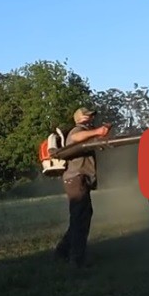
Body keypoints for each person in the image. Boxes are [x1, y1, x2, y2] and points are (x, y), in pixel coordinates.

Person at [53, 107, 110, 268]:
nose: (92, 118)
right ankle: (76, 261)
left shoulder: (85, 131)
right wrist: (98, 131)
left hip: (77, 180)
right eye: (90, 116)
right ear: (82, 118)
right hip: (76, 180)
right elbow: (76, 136)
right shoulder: (78, 130)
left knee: (81, 218)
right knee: (80, 220)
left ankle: (61, 252)